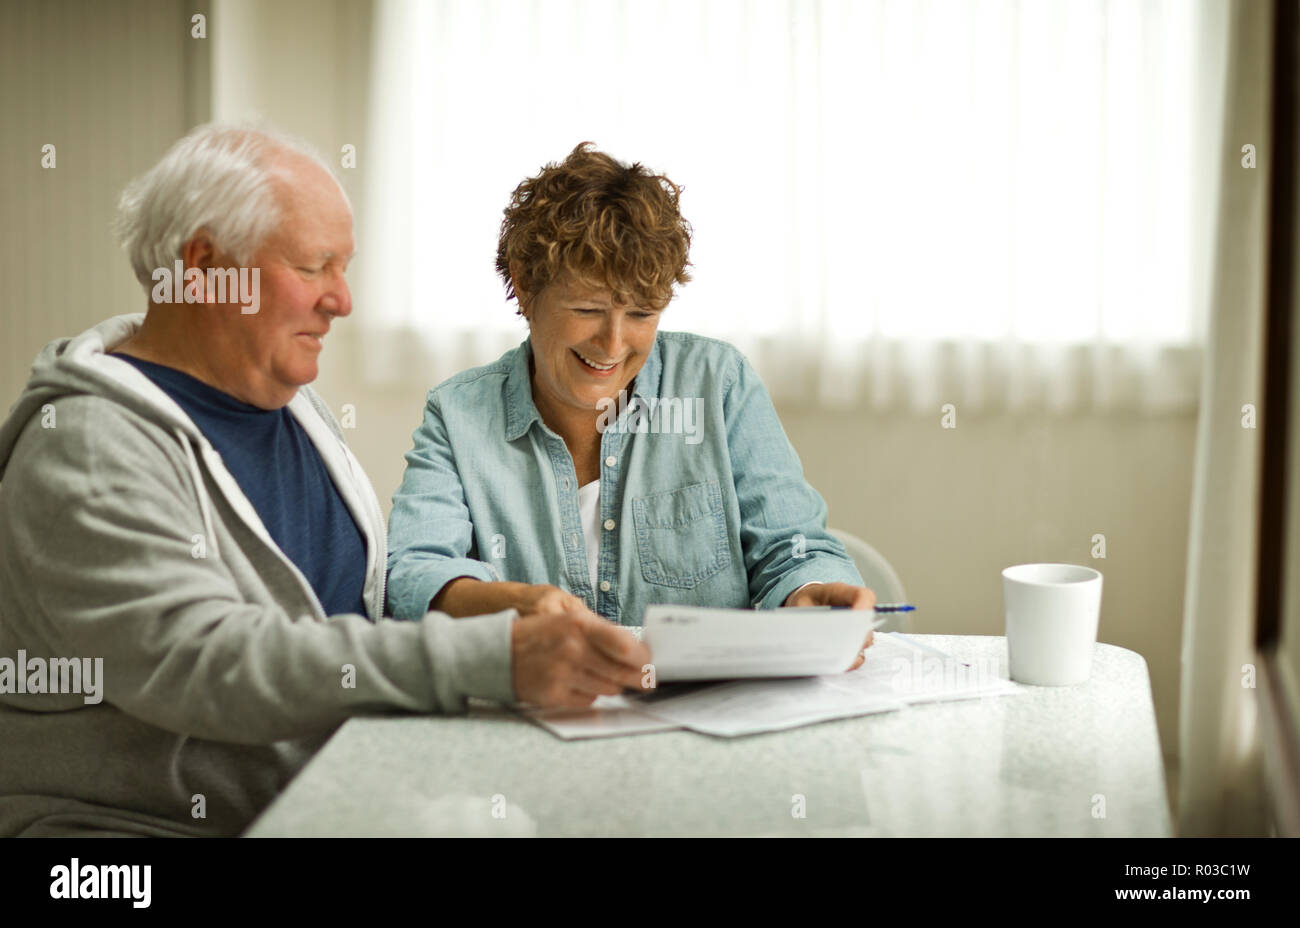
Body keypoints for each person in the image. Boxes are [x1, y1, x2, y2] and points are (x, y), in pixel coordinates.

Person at [0, 124, 649, 837]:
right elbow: (210, 662)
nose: (341, 301)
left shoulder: (288, 404)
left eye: (344, 268)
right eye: (314, 268)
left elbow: (341, 626)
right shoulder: (88, 449)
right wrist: (489, 656)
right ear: (205, 266)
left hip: (303, 803)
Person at [386, 143, 877, 662]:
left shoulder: (719, 383)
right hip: (537, 716)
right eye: (588, 308)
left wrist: (810, 592)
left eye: (642, 313)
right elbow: (414, 575)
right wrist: (508, 605)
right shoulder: (458, 415)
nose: (614, 343)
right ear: (527, 289)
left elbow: (792, 548)